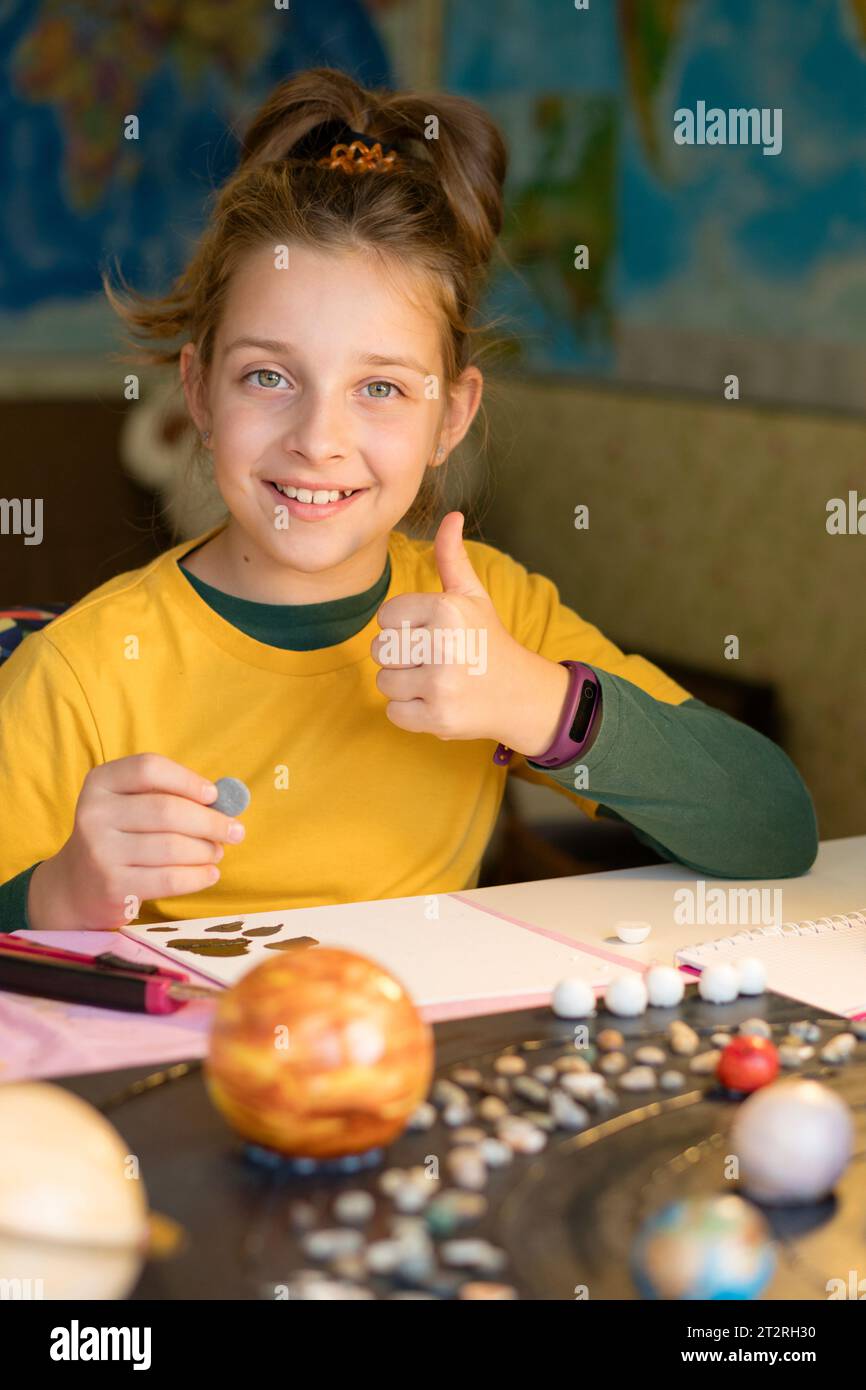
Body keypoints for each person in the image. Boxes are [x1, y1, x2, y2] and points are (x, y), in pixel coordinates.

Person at [0, 68, 817, 932]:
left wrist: (535, 704)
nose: (319, 438)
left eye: (381, 388)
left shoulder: (495, 618)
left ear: (450, 418)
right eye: (268, 376)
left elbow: (776, 830)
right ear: (199, 395)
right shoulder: (78, 674)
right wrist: (57, 896)